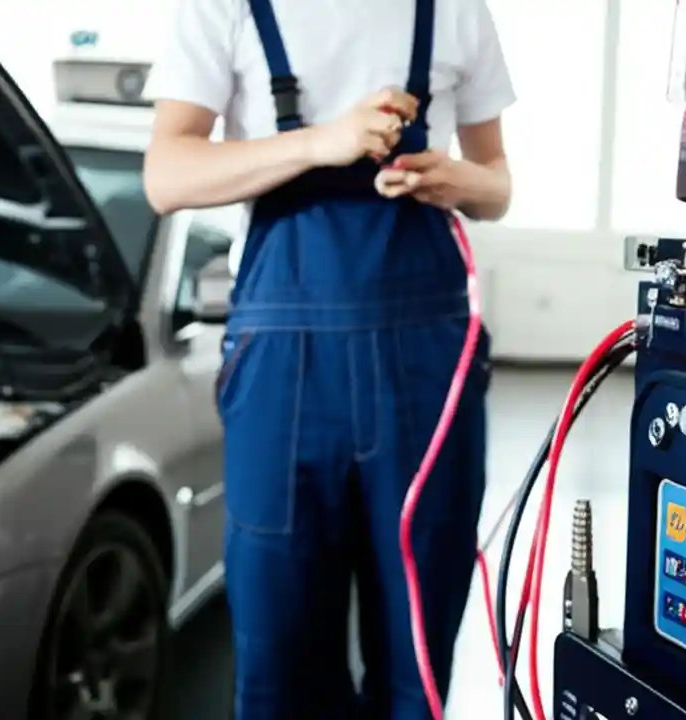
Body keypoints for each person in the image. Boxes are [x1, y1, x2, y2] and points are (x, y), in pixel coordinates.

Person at [142, 0, 514, 717]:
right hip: (284, 371)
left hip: (427, 367)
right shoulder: (226, 8)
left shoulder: (455, 9)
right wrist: (319, 143)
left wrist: (452, 180)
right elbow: (167, 173)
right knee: (281, 665)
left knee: (419, 667)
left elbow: (497, 182)